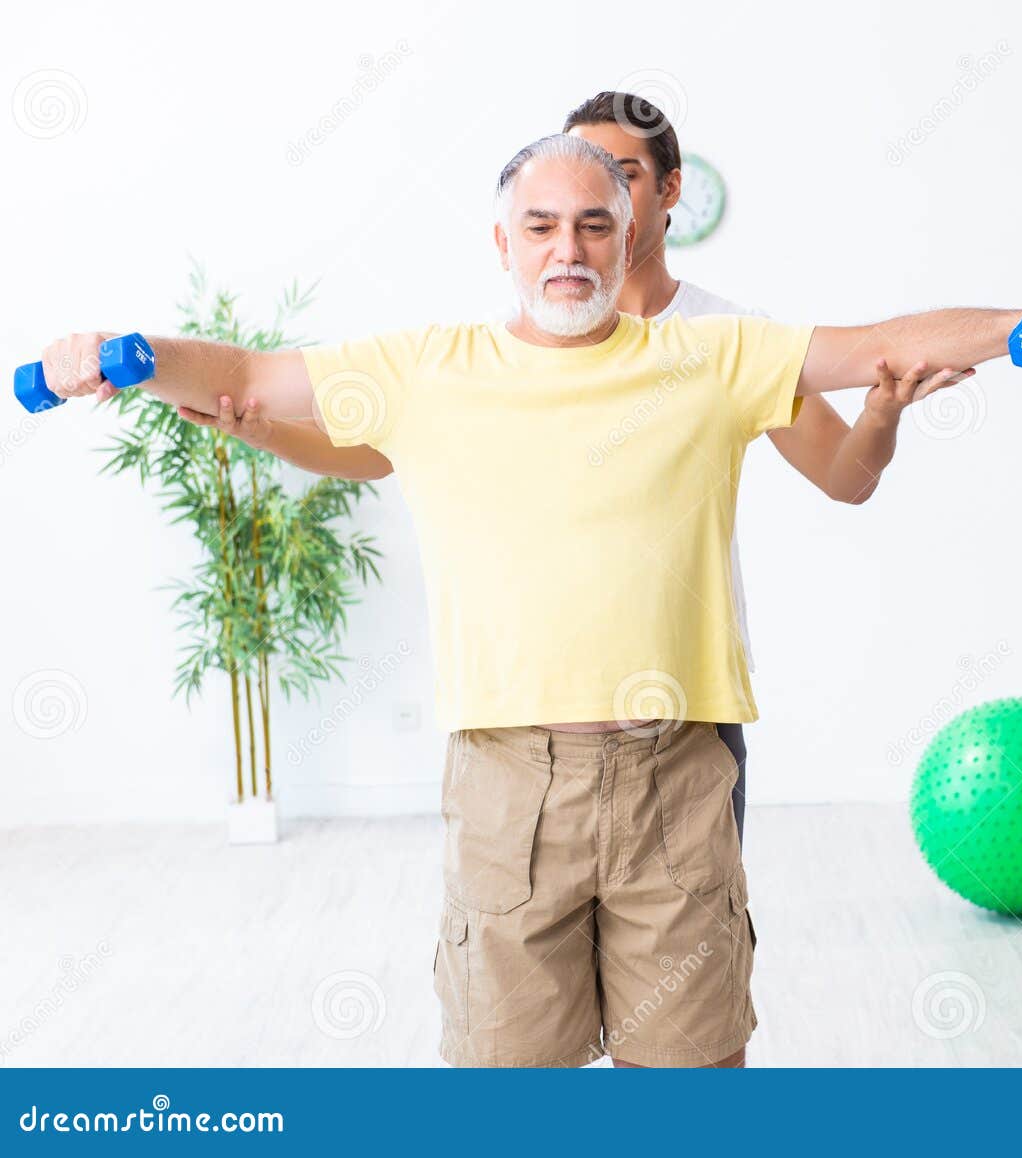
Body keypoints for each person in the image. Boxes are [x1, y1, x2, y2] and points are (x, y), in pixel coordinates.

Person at [40, 133, 1022, 1068]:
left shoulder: (712, 356)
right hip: (511, 786)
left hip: (675, 776)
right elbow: (244, 373)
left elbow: (886, 344)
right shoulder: (427, 369)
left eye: (595, 225)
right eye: (541, 226)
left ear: (630, 236)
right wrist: (106, 359)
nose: (568, 250)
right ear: (501, 245)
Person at [177, 91, 955, 847]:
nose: (583, 201)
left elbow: (847, 478)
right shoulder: (520, 333)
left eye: (616, 176)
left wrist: (882, 411)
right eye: (560, 192)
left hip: (676, 702)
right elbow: (383, 453)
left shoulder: (725, 342)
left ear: (660, 193)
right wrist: (269, 431)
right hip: (525, 720)